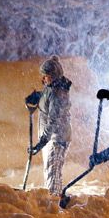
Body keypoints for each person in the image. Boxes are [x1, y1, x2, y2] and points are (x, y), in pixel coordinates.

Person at [27, 56, 72, 195]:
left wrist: (42, 142)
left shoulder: (58, 93)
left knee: (53, 172)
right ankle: (53, 199)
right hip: (51, 138)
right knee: (50, 170)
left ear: (52, 77)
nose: (43, 79)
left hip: (57, 139)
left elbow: (54, 120)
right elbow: (48, 96)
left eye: (45, 76)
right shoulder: (51, 87)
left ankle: (53, 204)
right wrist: (38, 96)